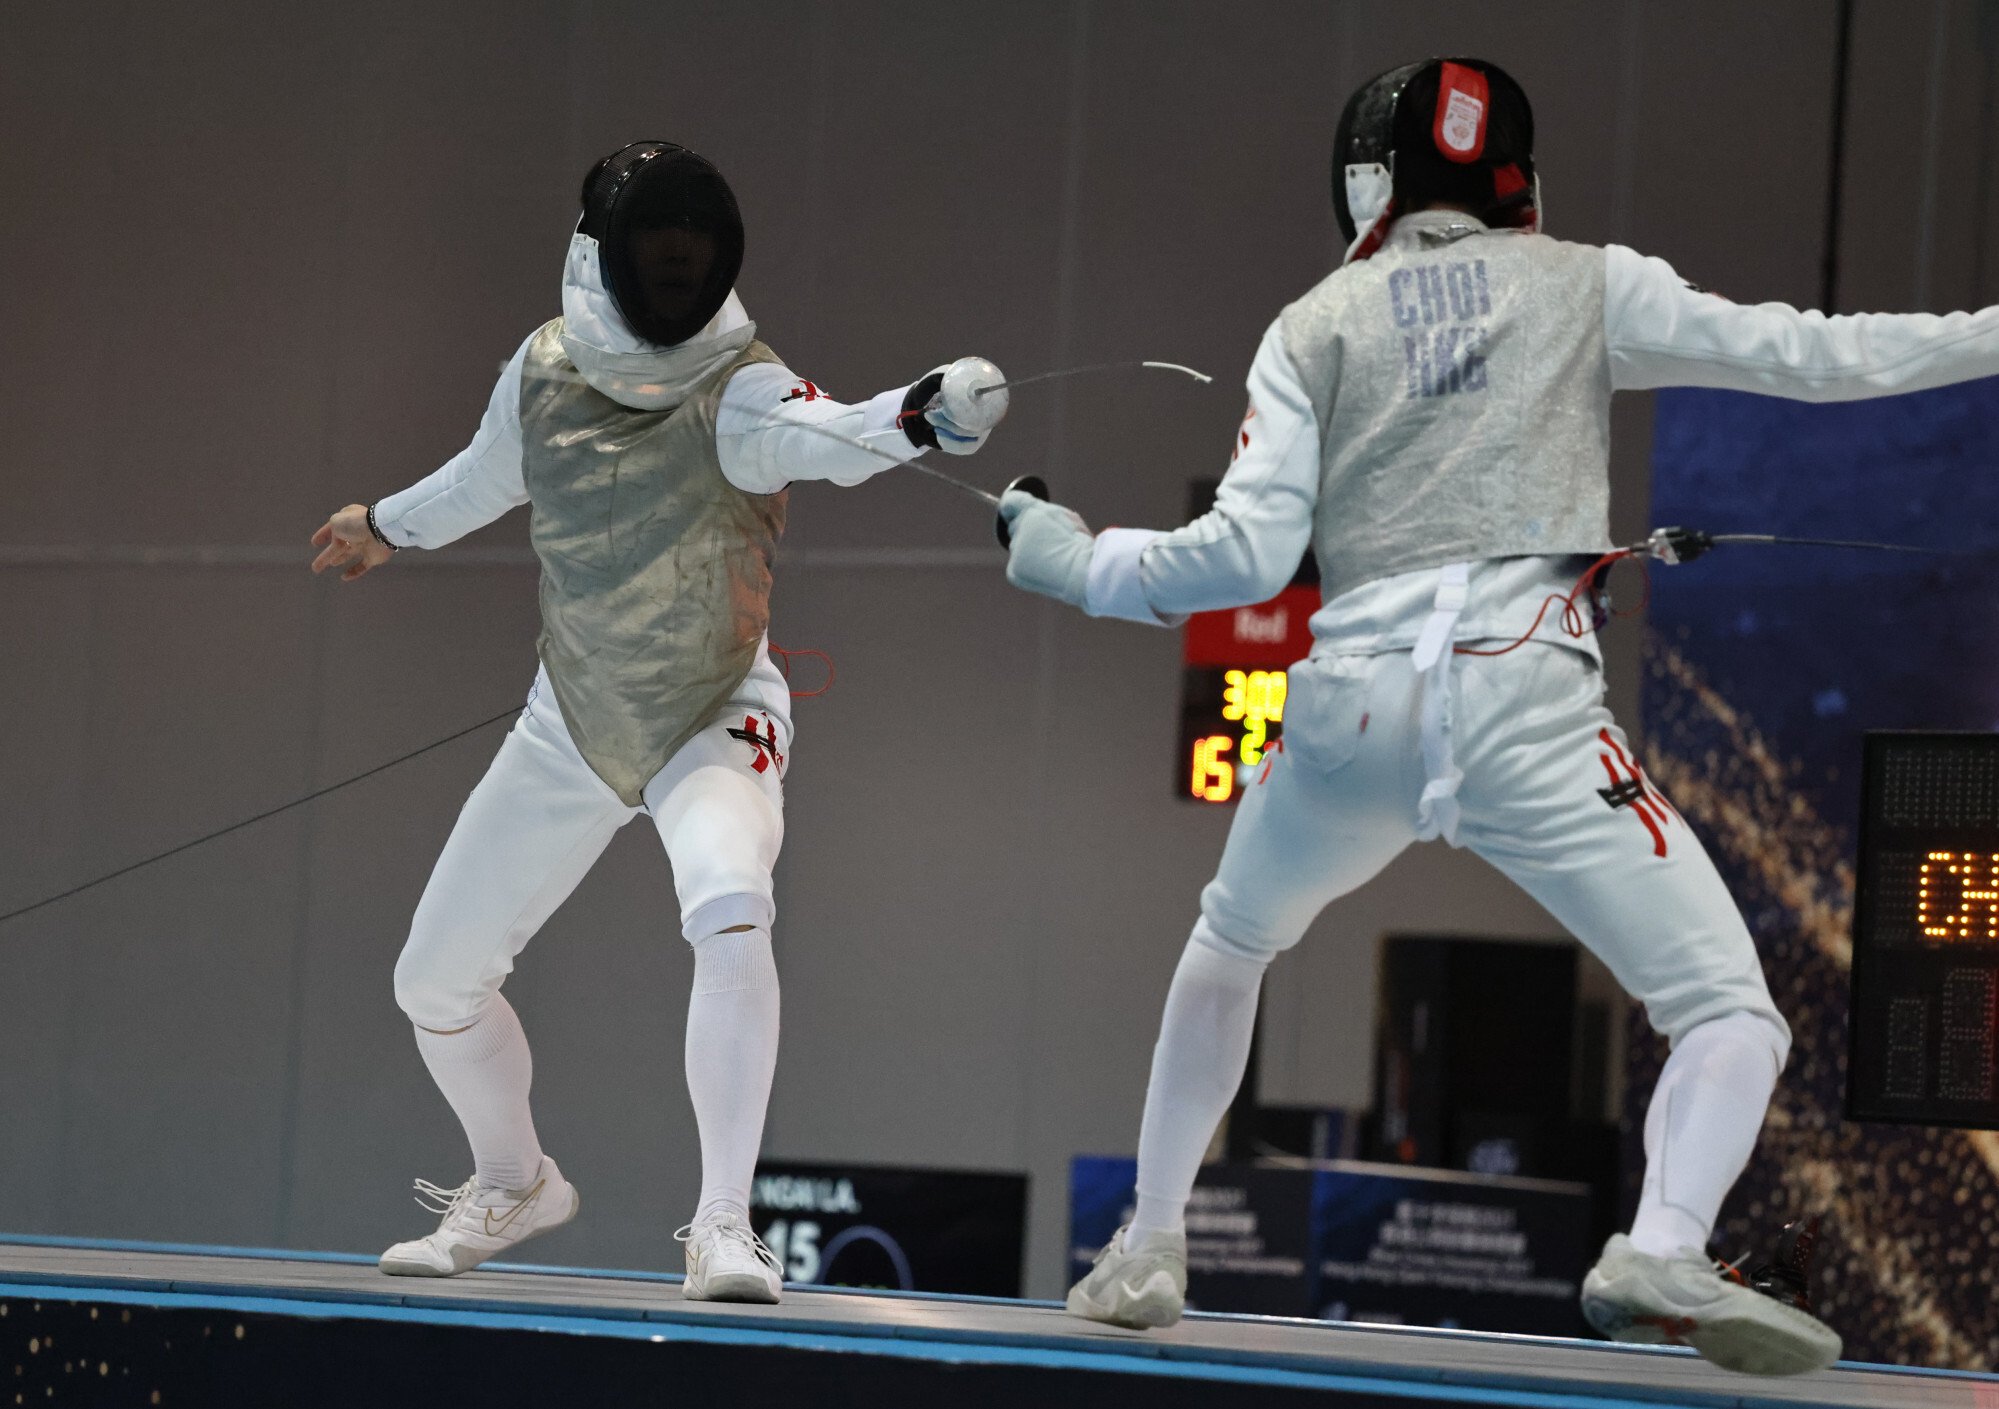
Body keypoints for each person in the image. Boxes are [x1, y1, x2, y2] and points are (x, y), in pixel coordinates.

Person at [1000, 57, 1999, 1376]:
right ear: (1517, 180)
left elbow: (1239, 561)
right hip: (1525, 712)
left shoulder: (1312, 322)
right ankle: (1659, 1243)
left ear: (1365, 180)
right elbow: (1817, 354)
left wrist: (1070, 557)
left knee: (1229, 942)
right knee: (1725, 1012)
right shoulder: (1588, 284)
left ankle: (1148, 1240)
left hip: (1347, 716)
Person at [310, 140, 1004, 1303]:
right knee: (432, 981)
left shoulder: (742, 386)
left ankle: (724, 1220)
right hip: (572, 719)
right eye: (658, 245)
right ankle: (514, 1179)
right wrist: (385, 523)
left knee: (729, 899)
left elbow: (839, 435)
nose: (678, 264)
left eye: (694, 247)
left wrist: (921, 415)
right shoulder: (541, 369)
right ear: (605, 254)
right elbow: (483, 474)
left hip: (711, 710)